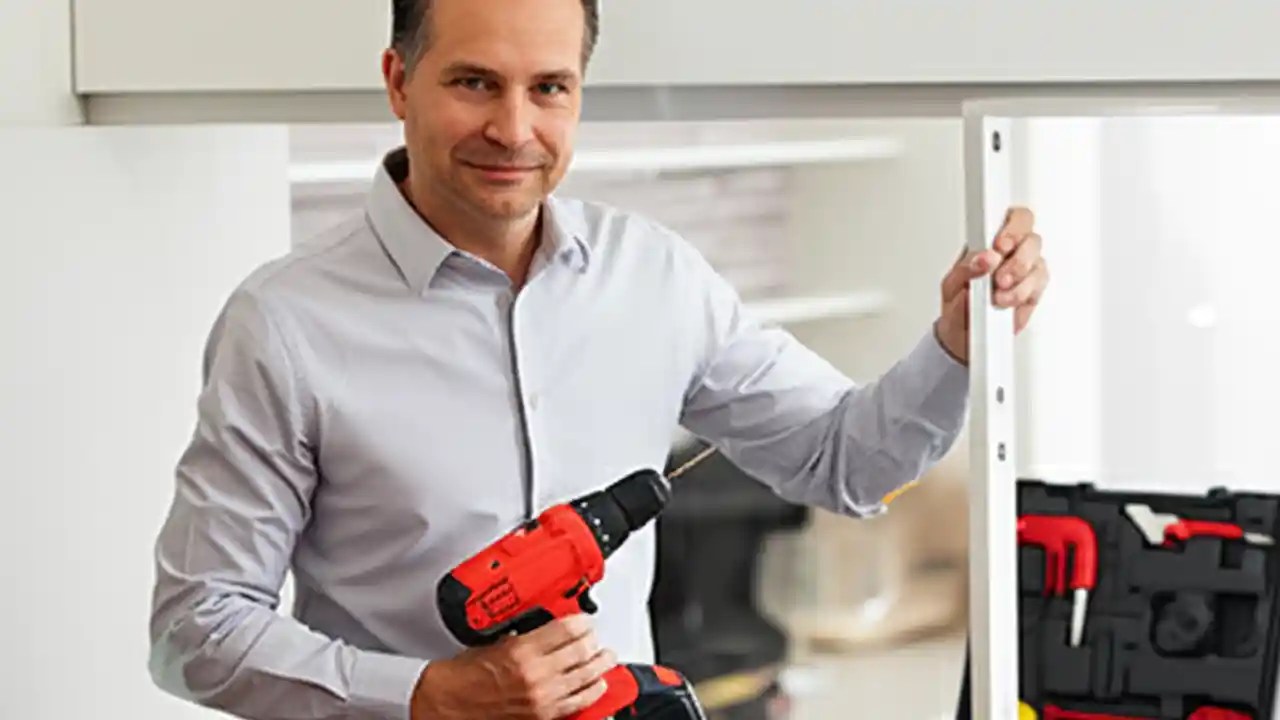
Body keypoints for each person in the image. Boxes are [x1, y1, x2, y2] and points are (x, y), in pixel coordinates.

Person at [147, 0, 1050, 718]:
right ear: (398, 80)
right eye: (474, 82)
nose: (513, 128)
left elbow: (847, 461)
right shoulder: (286, 323)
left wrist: (956, 349)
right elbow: (196, 628)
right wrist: (428, 696)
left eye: (549, 88)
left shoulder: (653, 275)